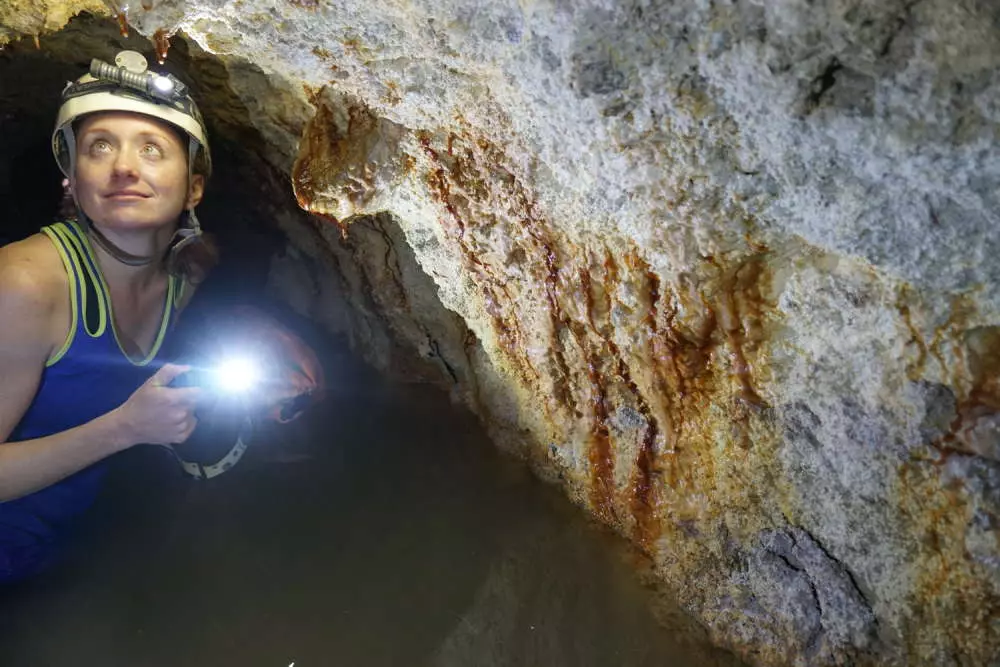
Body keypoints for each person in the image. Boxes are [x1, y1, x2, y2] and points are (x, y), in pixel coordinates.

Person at [0, 50, 322, 584]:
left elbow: (218, 262)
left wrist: (258, 327)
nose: (125, 166)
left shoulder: (184, 277)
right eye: (100, 146)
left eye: (152, 149)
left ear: (193, 188)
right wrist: (125, 429)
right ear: (71, 178)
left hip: (61, 545)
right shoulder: (25, 286)